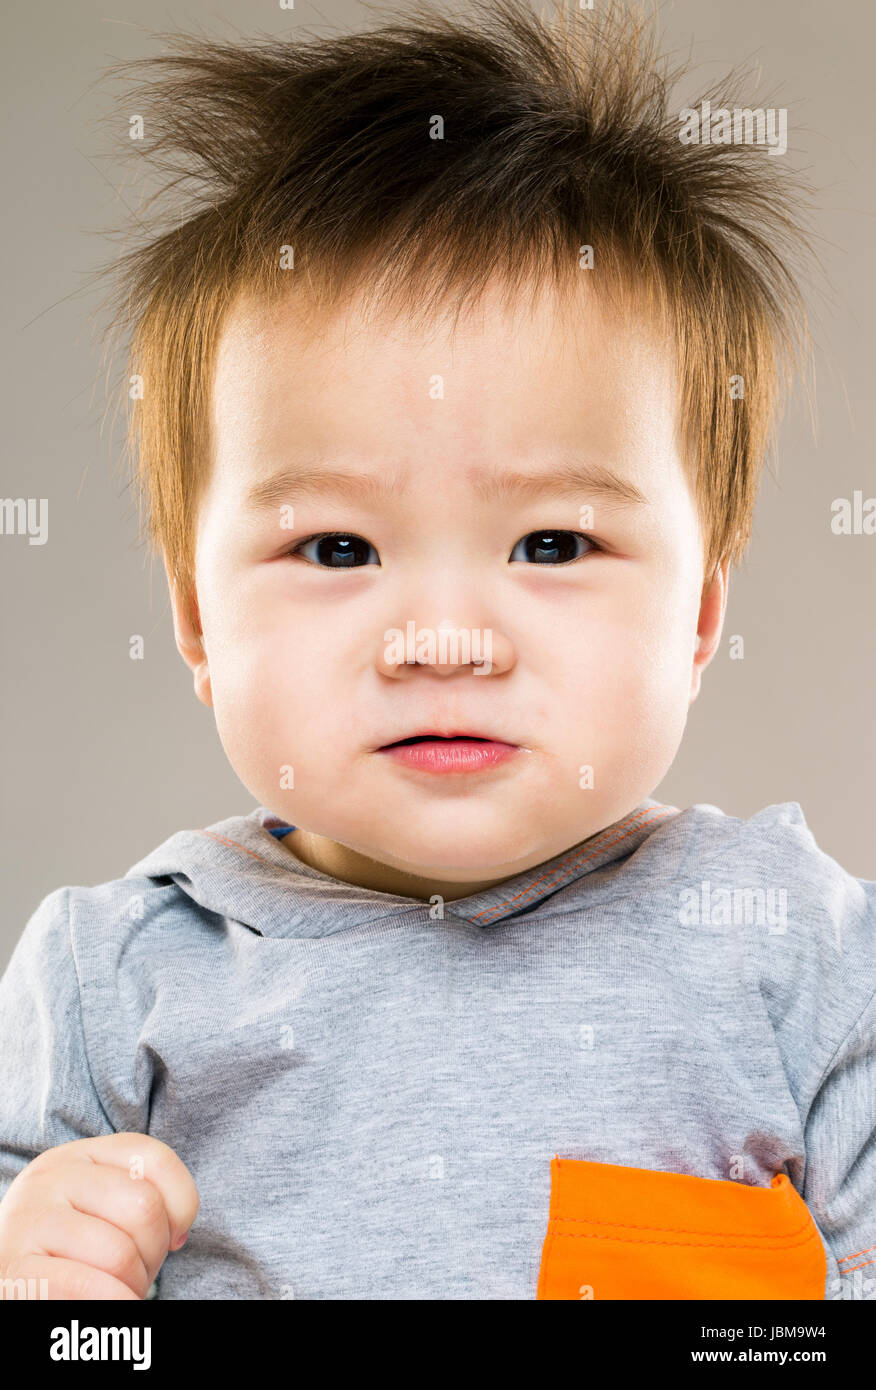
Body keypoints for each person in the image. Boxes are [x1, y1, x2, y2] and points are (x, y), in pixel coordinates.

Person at [0, 0, 872, 1300]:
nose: (445, 640)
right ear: (194, 615)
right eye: (340, 550)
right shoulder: (116, 982)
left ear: (698, 612)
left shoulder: (791, 947)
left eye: (554, 544)